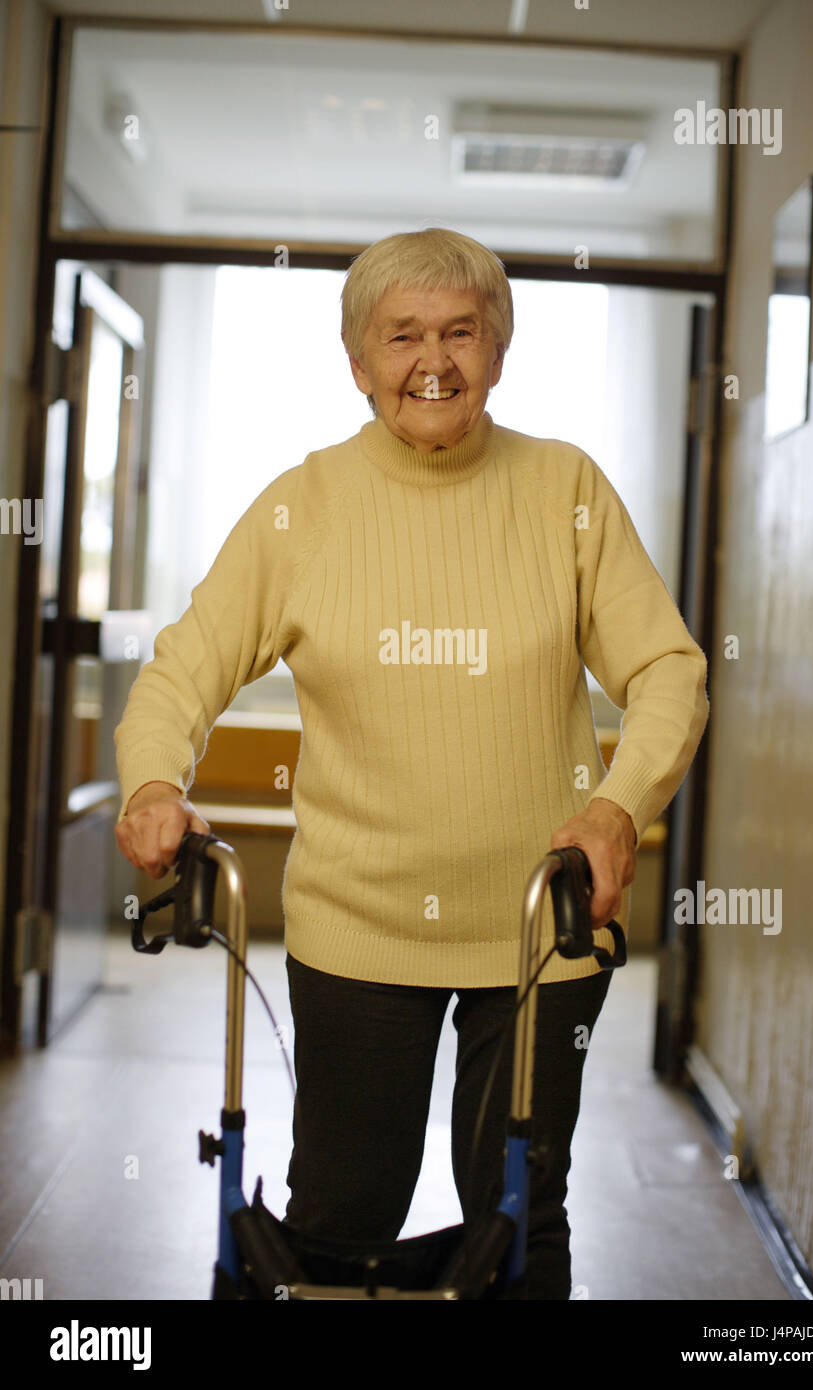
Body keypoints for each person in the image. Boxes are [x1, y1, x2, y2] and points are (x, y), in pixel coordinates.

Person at [114, 227, 709, 1300]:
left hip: (541, 927)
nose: (431, 359)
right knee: (343, 1215)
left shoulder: (563, 488)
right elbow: (181, 669)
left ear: (497, 350)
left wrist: (619, 807)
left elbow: (666, 667)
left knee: (519, 1217)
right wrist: (157, 777)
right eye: (401, 336)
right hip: (359, 926)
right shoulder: (304, 508)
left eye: (459, 332)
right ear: (357, 361)